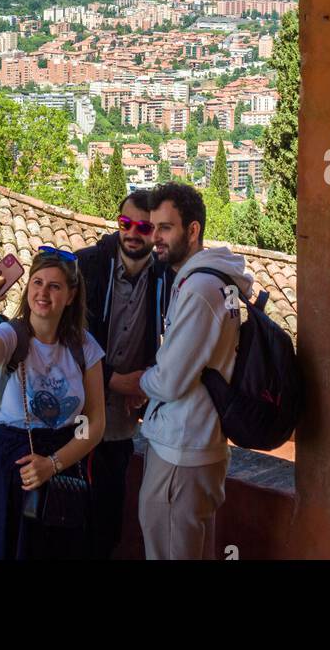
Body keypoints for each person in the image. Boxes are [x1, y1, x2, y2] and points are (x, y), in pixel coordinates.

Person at [115, 181, 252, 561]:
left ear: (193, 231)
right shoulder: (212, 281)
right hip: (197, 447)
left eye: (165, 228)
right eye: (152, 226)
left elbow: (172, 379)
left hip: (181, 450)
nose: (154, 237)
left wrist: (133, 382)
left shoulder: (199, 290)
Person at [0, 248, 106, 561]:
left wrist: (53, 464)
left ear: (71, 296)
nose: (43, 292)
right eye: (37, 282)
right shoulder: (10, 335)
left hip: (60, 468)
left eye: (54, 286)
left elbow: (96, 421)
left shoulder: (84, 346)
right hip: (4, 469)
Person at [76, 189, 174, 558]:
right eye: (126, 223)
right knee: (66, 515)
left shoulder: (168, 278)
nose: (133, 233)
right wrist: (114, 378)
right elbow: (66, 337)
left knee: (106, 520)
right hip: (77, 415)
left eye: (143, 227)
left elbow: (175, 340)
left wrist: (149, 381)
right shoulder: (87, 267)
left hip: (121, 423)